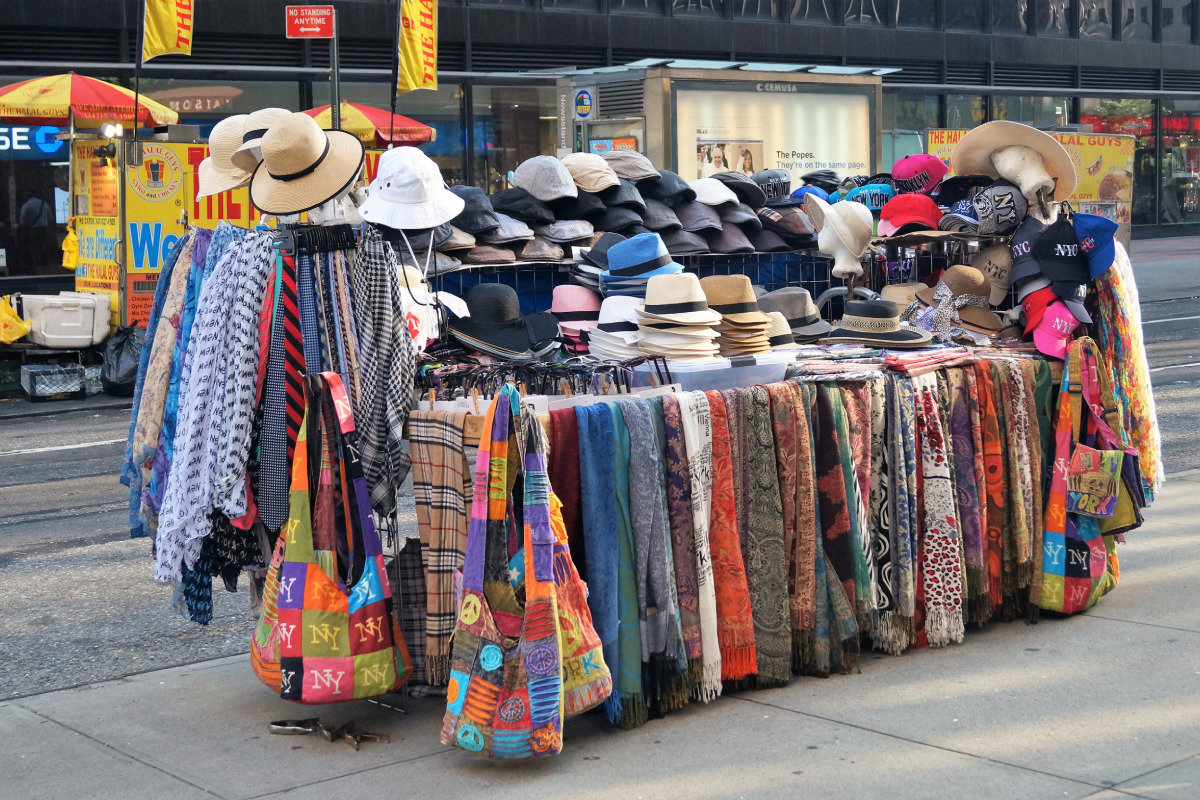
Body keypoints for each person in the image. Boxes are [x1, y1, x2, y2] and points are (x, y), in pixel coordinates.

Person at [18, 190, 54, 271]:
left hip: (34, 230)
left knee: (35, 248)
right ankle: (46, 265)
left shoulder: (26, 205)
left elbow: (22, 222)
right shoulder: (44, 204)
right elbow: (50, 219)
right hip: (44, 229)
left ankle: (37, 265)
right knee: (44, 247)